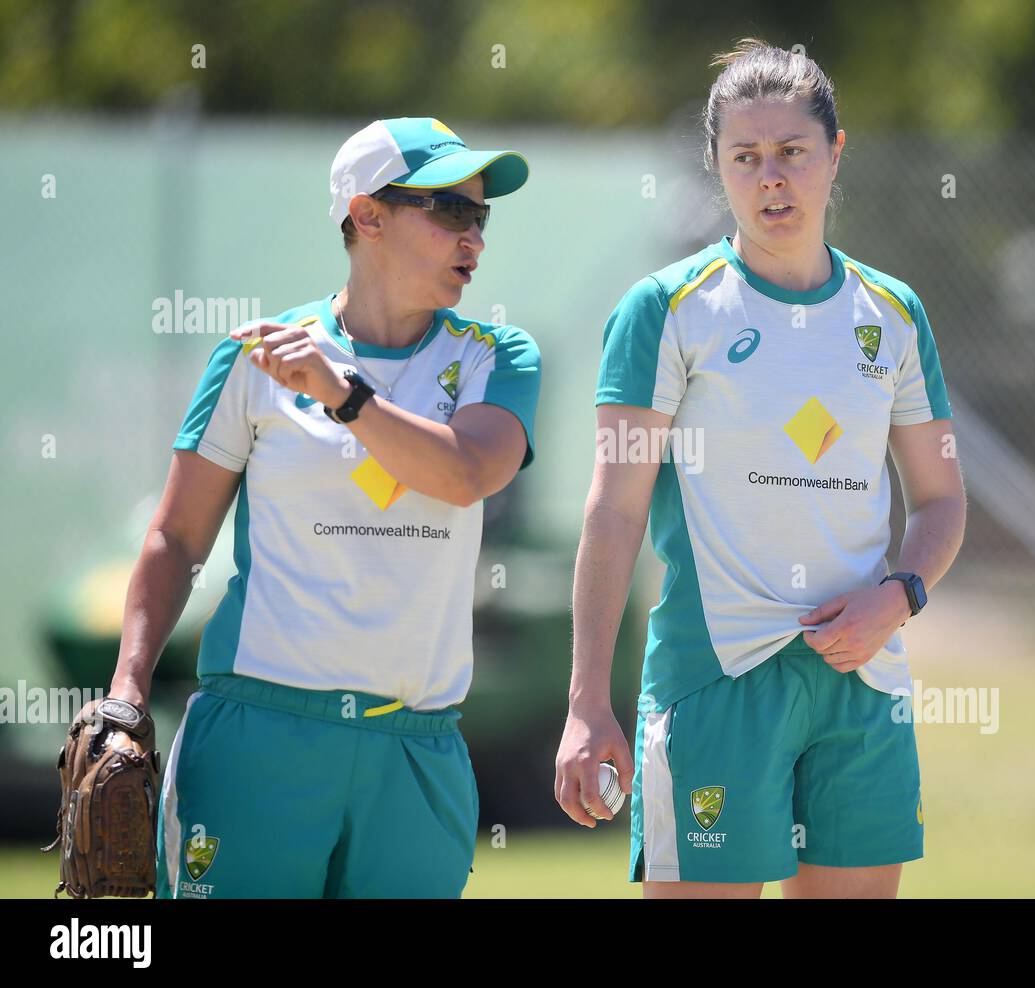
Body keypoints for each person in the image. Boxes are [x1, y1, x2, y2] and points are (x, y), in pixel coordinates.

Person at [555, 40, 966, 899]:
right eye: (745, 158)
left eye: (791, 153)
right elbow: (615, 512)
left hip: (862, 683)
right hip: (717, 681)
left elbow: (939, 498)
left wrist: (898, 598)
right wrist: (588, 699)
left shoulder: (892, 315)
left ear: (835, 153)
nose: (770, 178)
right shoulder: (665, 310)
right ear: (718, 167)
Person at [107, 116, 540, 898]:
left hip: (417, 744)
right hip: (258, 731)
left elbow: (467, 472)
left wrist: (343, 394)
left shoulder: (496, 354)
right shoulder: (255, 356)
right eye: (448, 210)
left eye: (481, 215)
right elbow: (175, 537)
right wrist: (127, 692)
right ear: (366, 214)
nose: (471, 236)